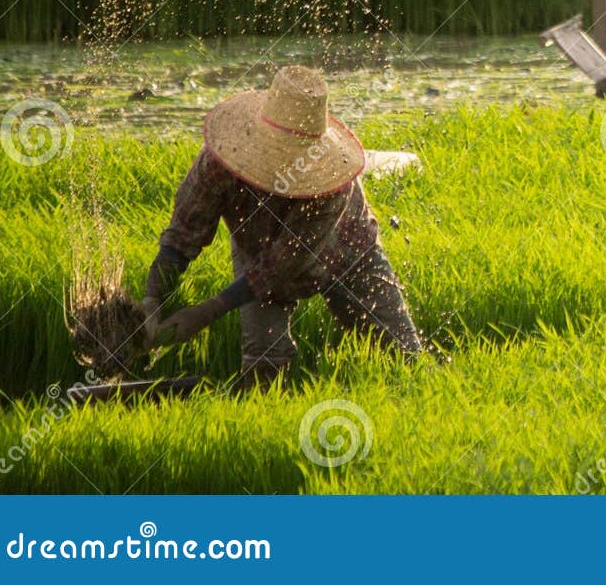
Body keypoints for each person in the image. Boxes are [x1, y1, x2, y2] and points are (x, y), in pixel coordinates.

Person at [143, 65, 422, 384]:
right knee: (264, 362)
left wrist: (207, 311)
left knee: (404, 358)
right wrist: (153, 298)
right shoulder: (222, 159)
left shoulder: (332, 185)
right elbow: (183, 232)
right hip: (257, 249)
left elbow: (285, 262)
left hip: (347, 249)